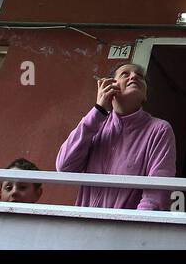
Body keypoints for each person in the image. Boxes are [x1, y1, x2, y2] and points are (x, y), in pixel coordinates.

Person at [55, 62, 176, 209]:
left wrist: (133, 225)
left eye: (140, 76)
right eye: (125, 74)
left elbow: (157, 192)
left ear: (145, 94)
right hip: (83, 223)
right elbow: (64, 166)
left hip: (126, 227)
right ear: (110, 86)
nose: (134, 77)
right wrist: (98, 111)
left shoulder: (159, 130)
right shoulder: (96, 124)